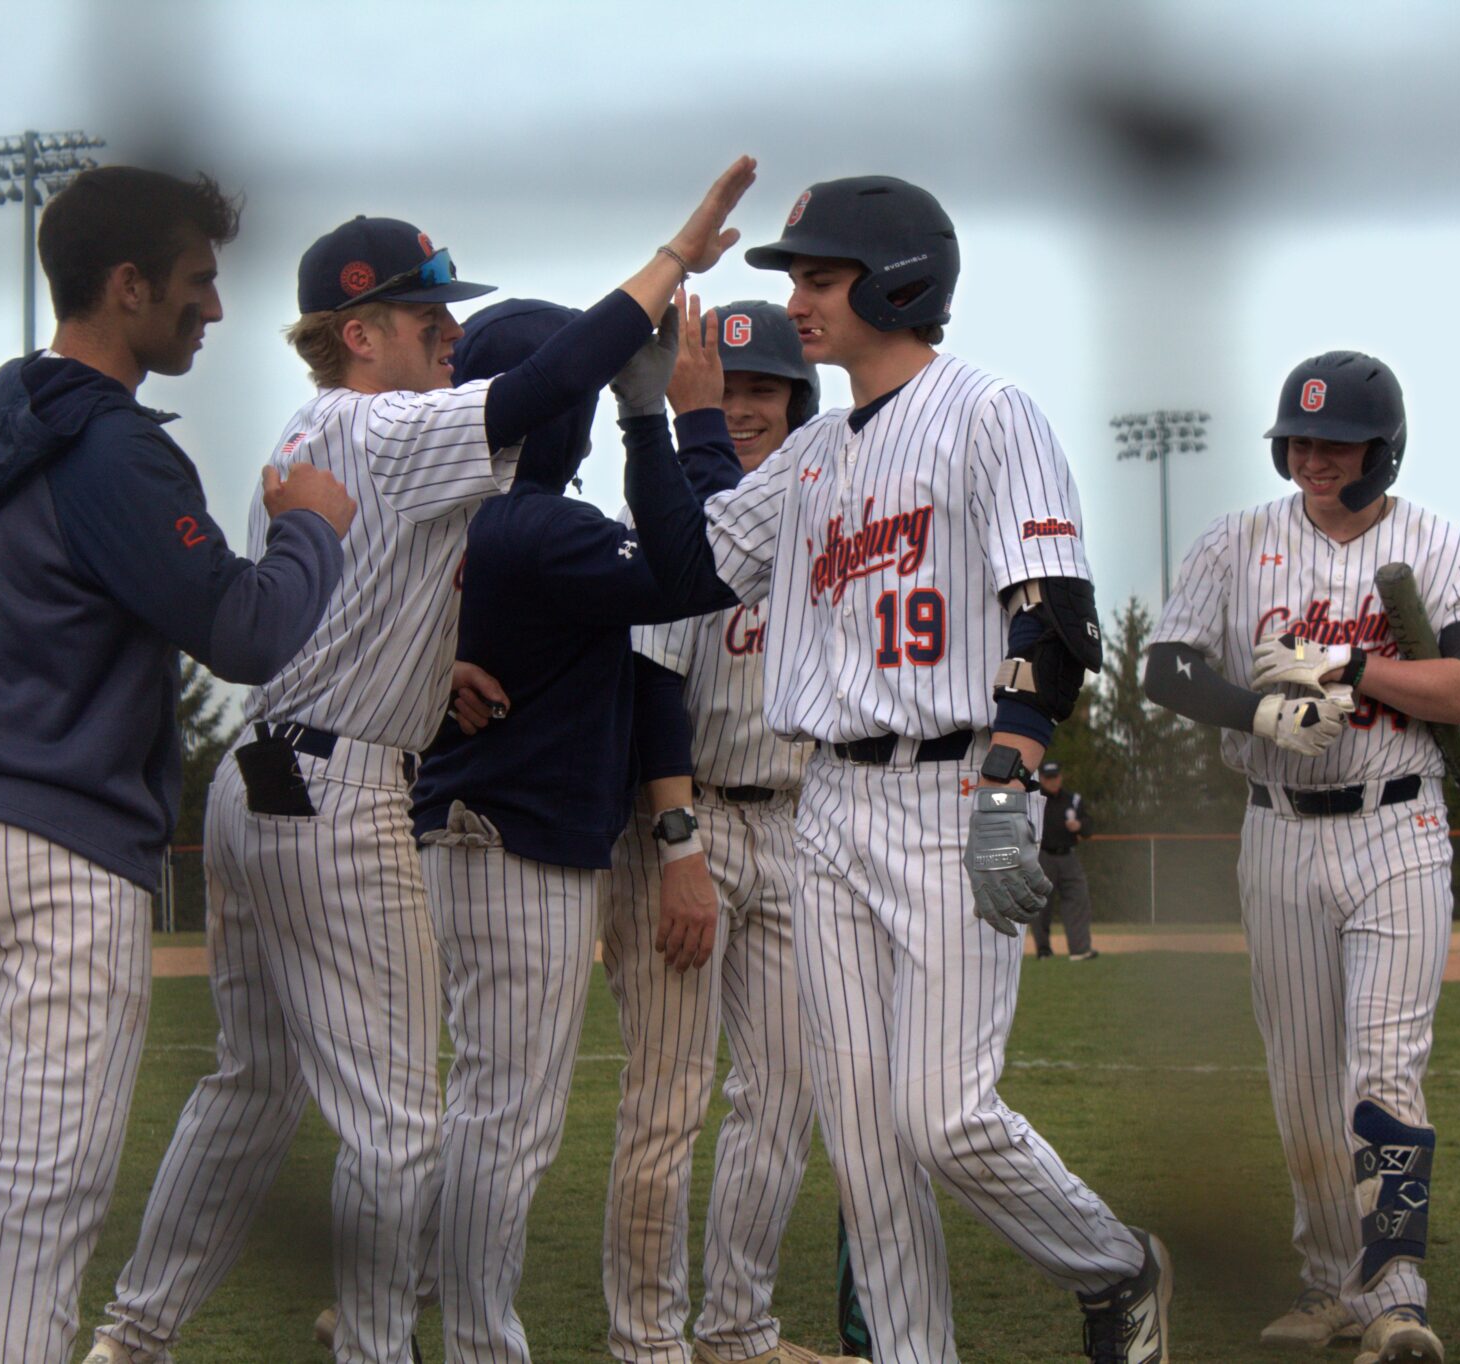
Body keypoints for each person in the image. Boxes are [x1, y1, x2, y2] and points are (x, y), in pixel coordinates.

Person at [83, 158, 759, 1364]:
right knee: (397, 1123)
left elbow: (340, 591)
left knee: (247, 1089)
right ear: (358, 332)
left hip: (263, 774)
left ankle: (131, 1337)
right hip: (337, 790)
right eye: (424, 315)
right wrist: (671, 263)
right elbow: (547, 383)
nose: (449, 334)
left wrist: (422, 662)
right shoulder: (383, 422)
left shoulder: (315, 430)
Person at [694, 175, 1170, 1364]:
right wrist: (667, 417)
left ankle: (1117, 1264)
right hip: (828, 801)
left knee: (944, 1114)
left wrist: (1011, 779)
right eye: (793, 276)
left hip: (951, 787)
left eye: (819, 273)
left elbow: (1053, 612)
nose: (797, 297)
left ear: (897, 278)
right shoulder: (807, 453)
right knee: (862, 1140)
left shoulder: (986, 411)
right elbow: (683, 563)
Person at [0, 164, 354, 1364]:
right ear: (128, 283)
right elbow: (246, 630)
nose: (213, 307)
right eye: (197, 281)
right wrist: (313, 526)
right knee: (41, 1192)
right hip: (59, 849)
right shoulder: (113, 450)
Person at [1142, 350, 1460, 1364]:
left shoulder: (1437, 541)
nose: (1313, 457)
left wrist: (1352, 665)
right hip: (1275, 826)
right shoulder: (1238, 540)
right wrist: (1253, 703)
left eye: (1334, 441)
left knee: (1380, 1068)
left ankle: (1394, 1288)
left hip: (1395, 822)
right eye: (1299, 440)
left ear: (1378, 448)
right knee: (1300, 1079)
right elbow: (1164, 666)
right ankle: (1325, 1281)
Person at [405, 288, 744, 1363]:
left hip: (473, 830)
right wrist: (663, 420)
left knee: (481, 1108)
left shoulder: (457, 514)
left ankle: (396, 1307)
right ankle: (471, 1339)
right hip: (515, 841)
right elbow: (689, 580)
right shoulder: (532, 518)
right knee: (504, 1120)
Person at [598, 299, 857, 1364]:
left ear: (798, 398)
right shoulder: (677, 507)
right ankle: (646, 1339)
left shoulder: (828, 506)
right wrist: (678, 849)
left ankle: (735, 1328)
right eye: (725, 385)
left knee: (784, 1094)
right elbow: (652, 680)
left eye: (762, 387)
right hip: (684, 819)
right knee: (668, 1096)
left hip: (796, 818)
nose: (742, 406)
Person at [1031, 760, 1099, 961]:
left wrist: (1079, 825)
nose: (1052, 782)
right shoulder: (1035, 799)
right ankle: (1044, 951)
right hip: (1043, 857)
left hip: (1068, 856)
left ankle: (1080, 950)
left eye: (1055, 777)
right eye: (1048, 778)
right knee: (1041, 904)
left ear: (1060, 777)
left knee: (1078, 900)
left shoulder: (1073, 800)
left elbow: (1088, 827)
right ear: (1041, 778)